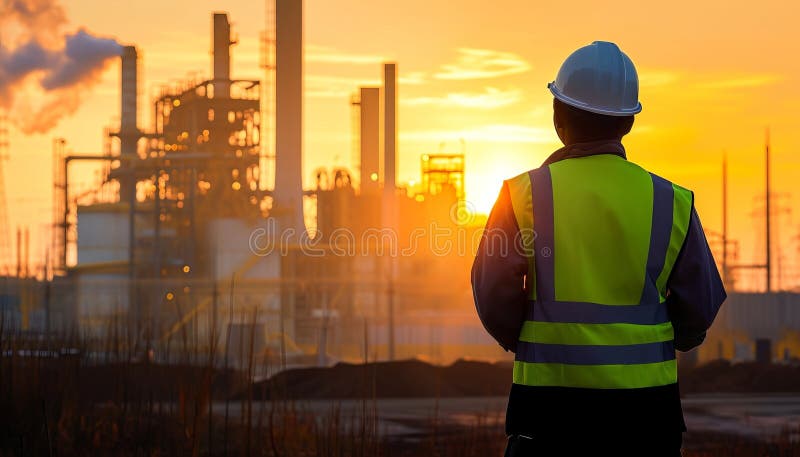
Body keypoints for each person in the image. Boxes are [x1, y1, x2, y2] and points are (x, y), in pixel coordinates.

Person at [471, 41, 726, 456]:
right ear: (628, 122)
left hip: (548, 418)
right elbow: (699, 308)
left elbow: (493, 297)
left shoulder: (522, 196)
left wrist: (534, 340)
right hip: (647, 420)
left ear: (558, 116)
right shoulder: (670, 200)